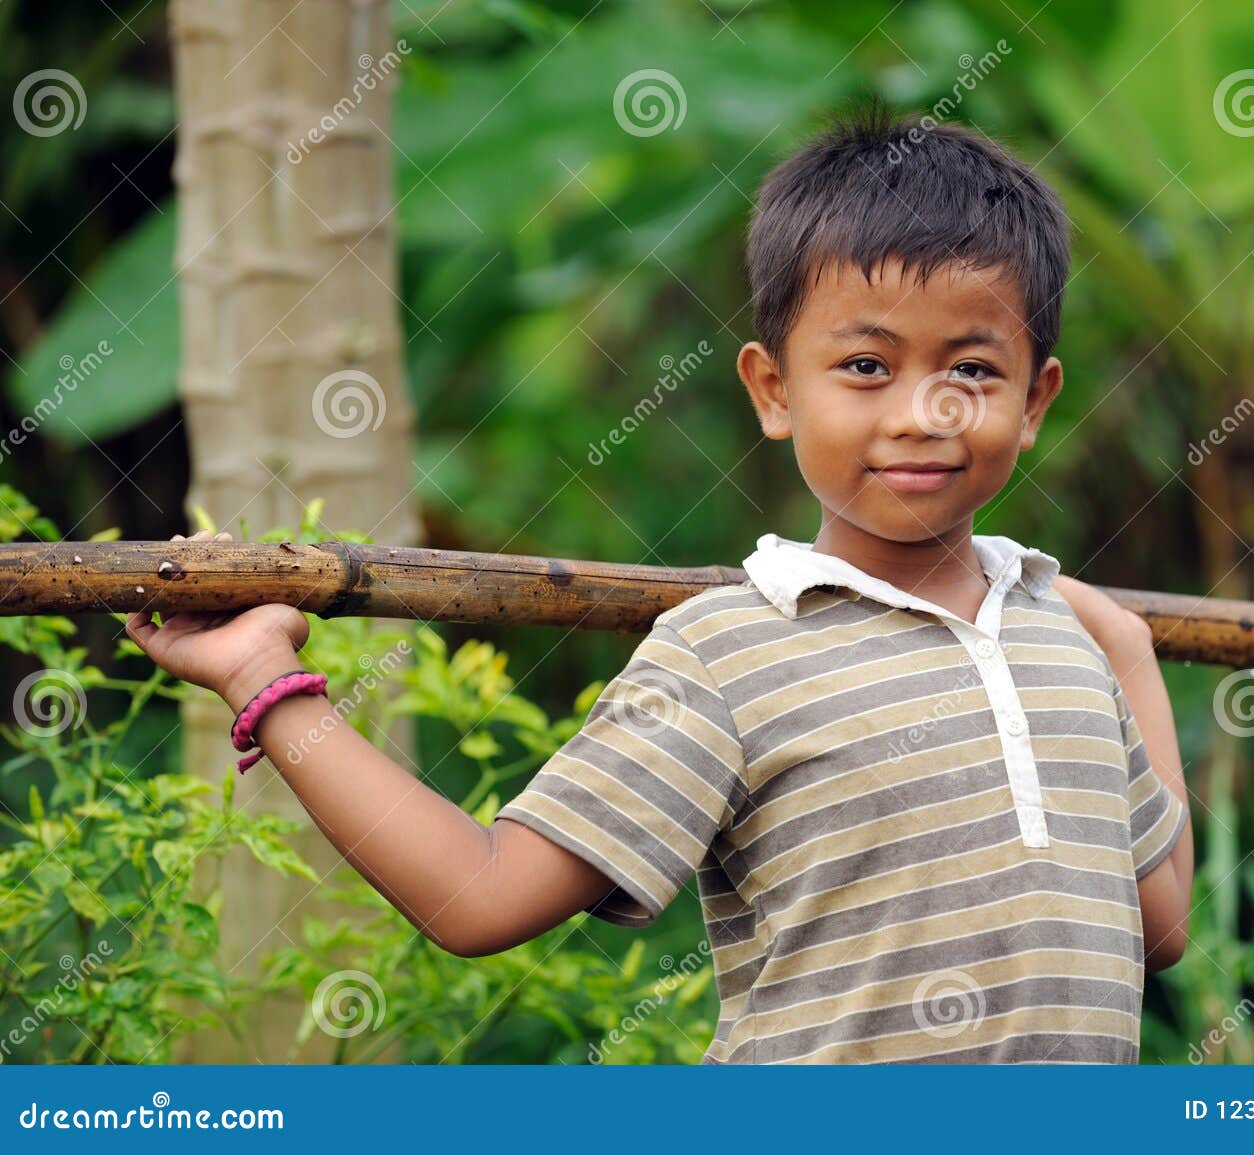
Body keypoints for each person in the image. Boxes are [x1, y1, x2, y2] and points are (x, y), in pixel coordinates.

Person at [126, 105, 1193, 1064]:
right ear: (773, 390)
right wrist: (264, 677)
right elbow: (479, 896)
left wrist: (1130, 654)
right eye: (865, 367)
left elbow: (1158, 923)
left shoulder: (1061, 642)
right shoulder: (731, 649)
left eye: (970, 369)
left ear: (1036, 397)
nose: (923, 413)